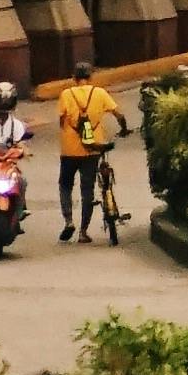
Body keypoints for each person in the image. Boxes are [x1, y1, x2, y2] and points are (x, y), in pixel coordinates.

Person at [52, 64, 124, 246]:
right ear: (91, 77)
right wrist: (124, 128)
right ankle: (83, 232)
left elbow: (62, 120)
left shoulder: (66, 94)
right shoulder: (99, 93)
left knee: (65, 185)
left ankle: (69, 221)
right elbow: (118, 114)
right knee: (87, 190)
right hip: (92, 149)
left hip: (69, 149)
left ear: (74, 78)